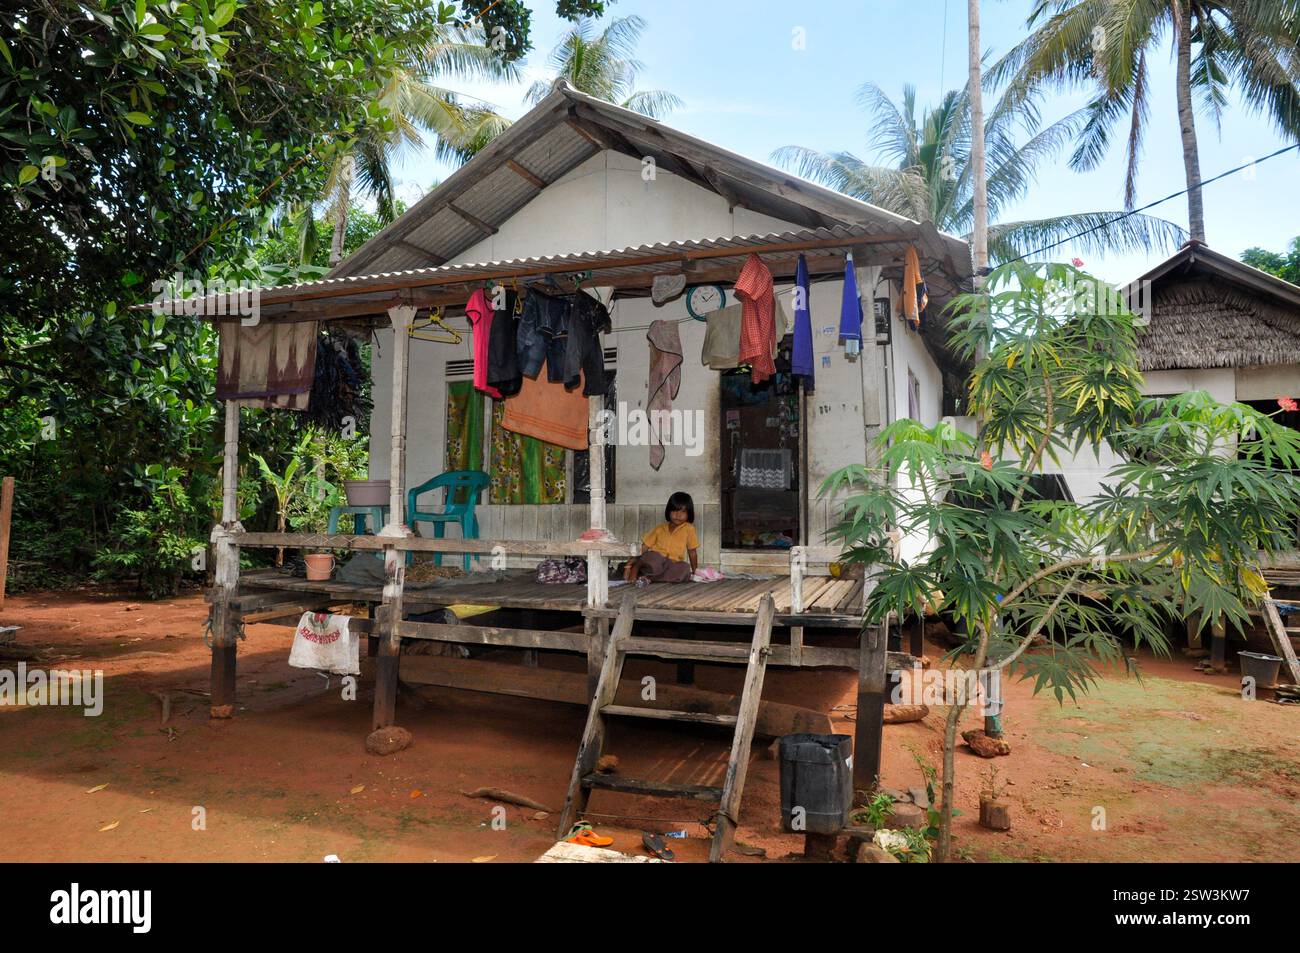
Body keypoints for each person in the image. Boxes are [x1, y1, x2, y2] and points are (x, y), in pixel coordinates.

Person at [624, 492, 699, 584]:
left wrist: (696, 572)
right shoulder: (660, 528)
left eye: (683, 511)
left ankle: (648, 578)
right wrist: (629, 564)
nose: (678, 515)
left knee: (684, 569)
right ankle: (636, 568)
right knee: (655, 558)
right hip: (653, 561)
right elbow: (644, 547)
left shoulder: (689, 529)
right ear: (669, 511)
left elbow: (692, 552)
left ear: (689, 513)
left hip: (671, 564)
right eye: (675, 510)